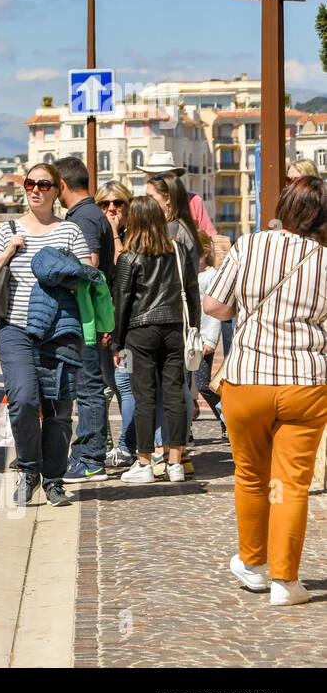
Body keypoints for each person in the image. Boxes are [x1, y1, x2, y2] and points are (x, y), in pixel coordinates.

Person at [204, 176, 327, 606]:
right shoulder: (325, 260)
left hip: (247, 379)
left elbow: (214, 306)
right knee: (290, 484)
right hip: (304, 383)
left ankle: (253, 566)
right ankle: (285, 582)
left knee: (251, 477)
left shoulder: (249, 245)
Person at [0, 163, 92, 507]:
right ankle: (29, 470)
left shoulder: (70, 231)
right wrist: (9, 250)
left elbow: (87, 273)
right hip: (16, 328)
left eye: (43, 184)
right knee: (24, 399)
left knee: (58, 408)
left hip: (60, 331)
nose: (35, 189)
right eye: (30, 183)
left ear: (57, 190)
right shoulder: (8, 229)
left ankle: (53, 480)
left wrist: (64, 270)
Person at [112, 197, 200, 484]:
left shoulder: (128, 257)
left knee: (144, 397)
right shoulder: (177, 250)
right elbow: (192, 292)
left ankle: (144, 463)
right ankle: (175, 464)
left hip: (139, 333)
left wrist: (117, 343)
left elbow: (121, 303)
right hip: (175, 329)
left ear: (134, 220)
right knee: (175, 394)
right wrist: (194, 328)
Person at [55, 156, 116, 484]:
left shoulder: (86, 218)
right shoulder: (91, 214)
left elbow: (89, 265)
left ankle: (90, 459)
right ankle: (86, 455)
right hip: (90, 318)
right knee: (90, 386)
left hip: (85, 318)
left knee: (89, 387)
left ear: (62, 185)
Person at [96, 180, 138, 468]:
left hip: (128, 327)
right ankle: (105, 445)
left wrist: (113, 234)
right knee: (102, 387)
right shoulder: (93, 234)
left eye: (117, 203)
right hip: (101, 325)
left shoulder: (135, 236)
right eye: (105, 204)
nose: (112, 209)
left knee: (126, 384)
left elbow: (124, 266)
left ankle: (127, 446)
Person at [135, 150, 216, 237]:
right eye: (152, 176)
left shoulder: (194, 201)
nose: (156, 180)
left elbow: (209, 236)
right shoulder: (144, 204)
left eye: (160, 176)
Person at [195, 237, 226, 440]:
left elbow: (214, 312)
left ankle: (226, 418)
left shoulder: (213, 276)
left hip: (204, 337)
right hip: (187, 337)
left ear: (205, 253)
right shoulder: (187, 274)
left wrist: (210, 340)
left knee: (202, 384)